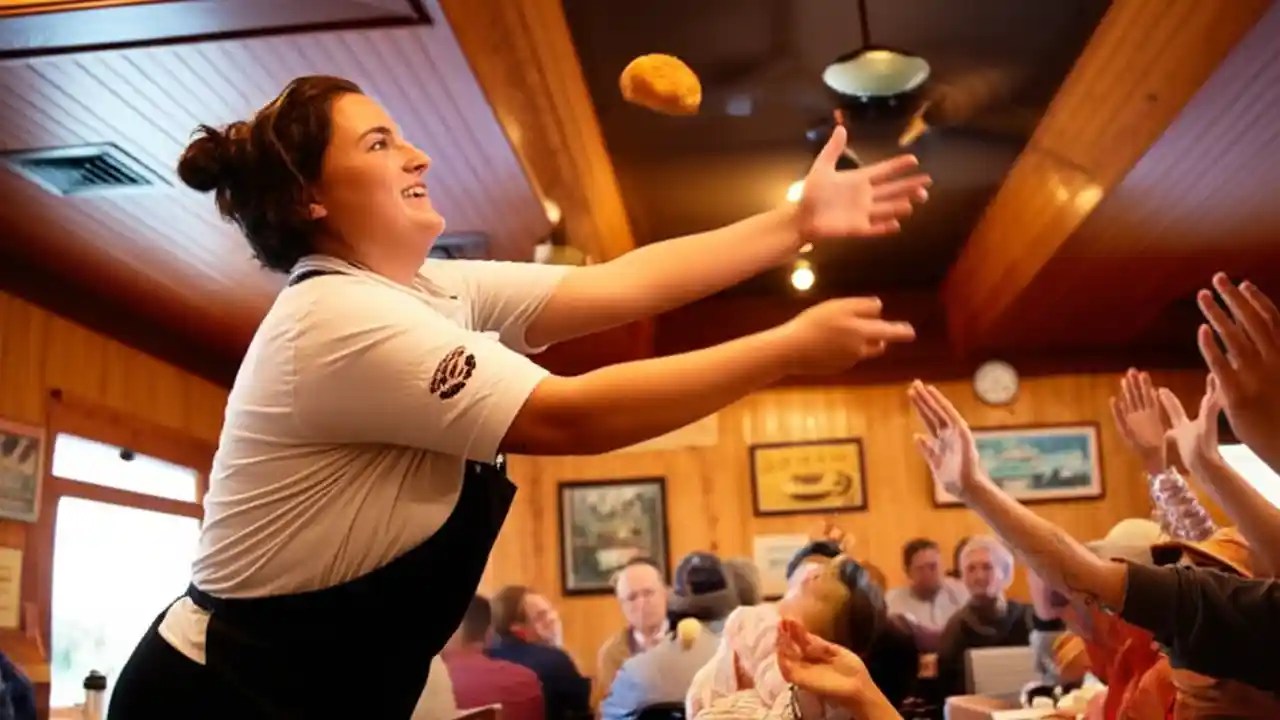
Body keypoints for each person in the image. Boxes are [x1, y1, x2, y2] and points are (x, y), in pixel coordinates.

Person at [104, 75, 929, 719]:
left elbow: (613, 285)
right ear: (308, 199)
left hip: (317, 688)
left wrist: (796, 223)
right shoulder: (335, 317)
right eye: (382, 143)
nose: (418, 156)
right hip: (216, 697)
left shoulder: (424, 288)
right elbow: (572, 414)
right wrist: (785, 348)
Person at [906, 371, 1280, 695]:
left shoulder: (1201, 635)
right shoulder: (1200, 618)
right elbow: (1208, 553)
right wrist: (1189, 466)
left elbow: (1209, 557)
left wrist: (1205, 466)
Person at [597, 558, 669, 696]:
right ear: (622, 606)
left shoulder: (693, 640)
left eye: (648, 593)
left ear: (664, 594)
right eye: (632, 597)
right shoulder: (611, 654)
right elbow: (609, 710)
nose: (641, 603)